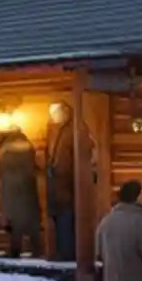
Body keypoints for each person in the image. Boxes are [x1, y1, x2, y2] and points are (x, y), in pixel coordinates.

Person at [45, 102, 95, 261]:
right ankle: (62, 252)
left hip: (69, 183)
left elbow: (74, 156)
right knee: (60, 219)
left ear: (64, 112)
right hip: (58, 183)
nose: (53, 117)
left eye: (55, 113)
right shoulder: (56, 130)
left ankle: (67, 253)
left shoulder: (74, 129)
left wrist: (63, 171)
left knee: (67, 219)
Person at [0, 126, 42, 258]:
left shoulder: (7, 150)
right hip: (27, 188)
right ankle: (36, 249)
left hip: (11, 188)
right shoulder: (28, 146)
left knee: (13, 222)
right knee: (31, 220)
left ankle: (14, 250)